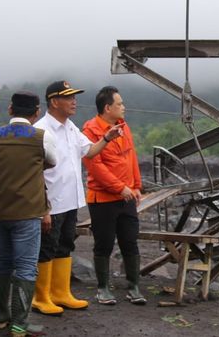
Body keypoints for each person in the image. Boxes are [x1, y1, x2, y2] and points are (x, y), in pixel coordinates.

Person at [31, 80, 121, 315]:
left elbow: (88, 150)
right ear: (54, 101)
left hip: (71, 199)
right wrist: (43, 207)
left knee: (65, 245)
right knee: (46, 247)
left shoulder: (71, 127)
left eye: (74, 97)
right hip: (51, 201)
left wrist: (107, 138)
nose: (74, 101)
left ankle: (61, 293)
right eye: (69, 97)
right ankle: (42, 297)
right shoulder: (41, 130)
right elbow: (34, 172)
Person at [0, 91, 57, 337]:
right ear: (37, 112)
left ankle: (0, 318)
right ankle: (20, 324)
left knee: (3, 262)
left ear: (10, 110)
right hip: (28, 212)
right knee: (26, 266)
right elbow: (51, 162)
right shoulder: (42, 137)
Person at [82, 86, 146, 306]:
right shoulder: (90, 130)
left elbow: (131, 156)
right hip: (102, 200)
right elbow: (95, 167)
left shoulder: (123, 126)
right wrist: (120, 187)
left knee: (130, 241)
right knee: (104, 243)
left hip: (127, 197)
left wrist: (136, 185)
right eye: (119, 104)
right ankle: (102, 288)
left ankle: (134, 287)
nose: (123, 107)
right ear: (107, 108)